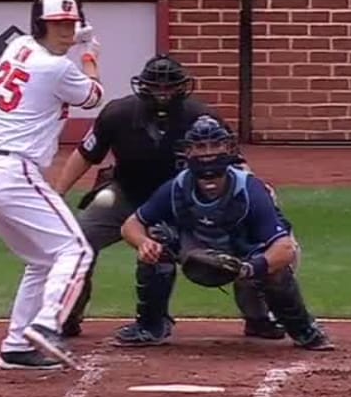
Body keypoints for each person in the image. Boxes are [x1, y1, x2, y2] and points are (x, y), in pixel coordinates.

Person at [53, 55, 284, 344]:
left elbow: (234, 162)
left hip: (184, 202)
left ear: (182, 87)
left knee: (243, 241)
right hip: (126, 194)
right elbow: (85, 154)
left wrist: (254, 188)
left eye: (169, 87)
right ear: (142, 87)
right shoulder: (118, 114)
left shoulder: (203, 118)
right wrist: (58, 193)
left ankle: (258, 316)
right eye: (156, 87)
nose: (163, 94)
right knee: (77, 242)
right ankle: (66, 316)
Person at [0, 0, 102, 371]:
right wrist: (90, 57)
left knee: (43, 260)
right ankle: (48, 324)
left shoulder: (18, 46)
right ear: (40, 26)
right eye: (57, 25)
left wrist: (77, 39)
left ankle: (16, 346)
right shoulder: (56, 69)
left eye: (69, 24)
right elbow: (93, 96)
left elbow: (51, 51)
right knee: (76, 251)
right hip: (15, 173)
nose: (65, 31)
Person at [118, 115, 335, 350]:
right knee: (156, 239)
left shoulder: (249, 189)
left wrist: (247, 268)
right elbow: (131, 225)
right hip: (197, 247)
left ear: (228, 148)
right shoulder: (177, 187)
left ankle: (301, 329)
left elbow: (284, 249)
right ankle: (150, 326)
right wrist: (143, 243)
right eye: (201, 146)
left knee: (275, 274)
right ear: (188, 151)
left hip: (246, 253)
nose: (208, 154)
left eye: (215, 145)